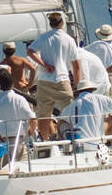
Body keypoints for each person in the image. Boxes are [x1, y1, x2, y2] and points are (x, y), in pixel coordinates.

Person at [28, 11, 81, 139]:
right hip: (62, 79)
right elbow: (76, 66)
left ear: (50, 24)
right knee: (69, 115)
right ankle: (68, 140)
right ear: (62, 23)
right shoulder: (69, 39)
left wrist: (44, 64)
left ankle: (45, 143)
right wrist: (76, 85)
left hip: (45, 80)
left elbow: (30, 51)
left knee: (44, 116)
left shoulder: (44, 37)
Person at [60, 80, 112, 149]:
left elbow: (61, 122)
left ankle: (65, 147)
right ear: (92, 90)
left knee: (61, 122)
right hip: (96, 143)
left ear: (78, 91)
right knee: (110, 120)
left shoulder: (70, 106)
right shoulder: (99, 98)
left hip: (79, 144)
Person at [0, 69, 36, 152]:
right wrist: (30, 132)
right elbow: (33, 119)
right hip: (16, 142)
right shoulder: (19, 99)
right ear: (12, 83)